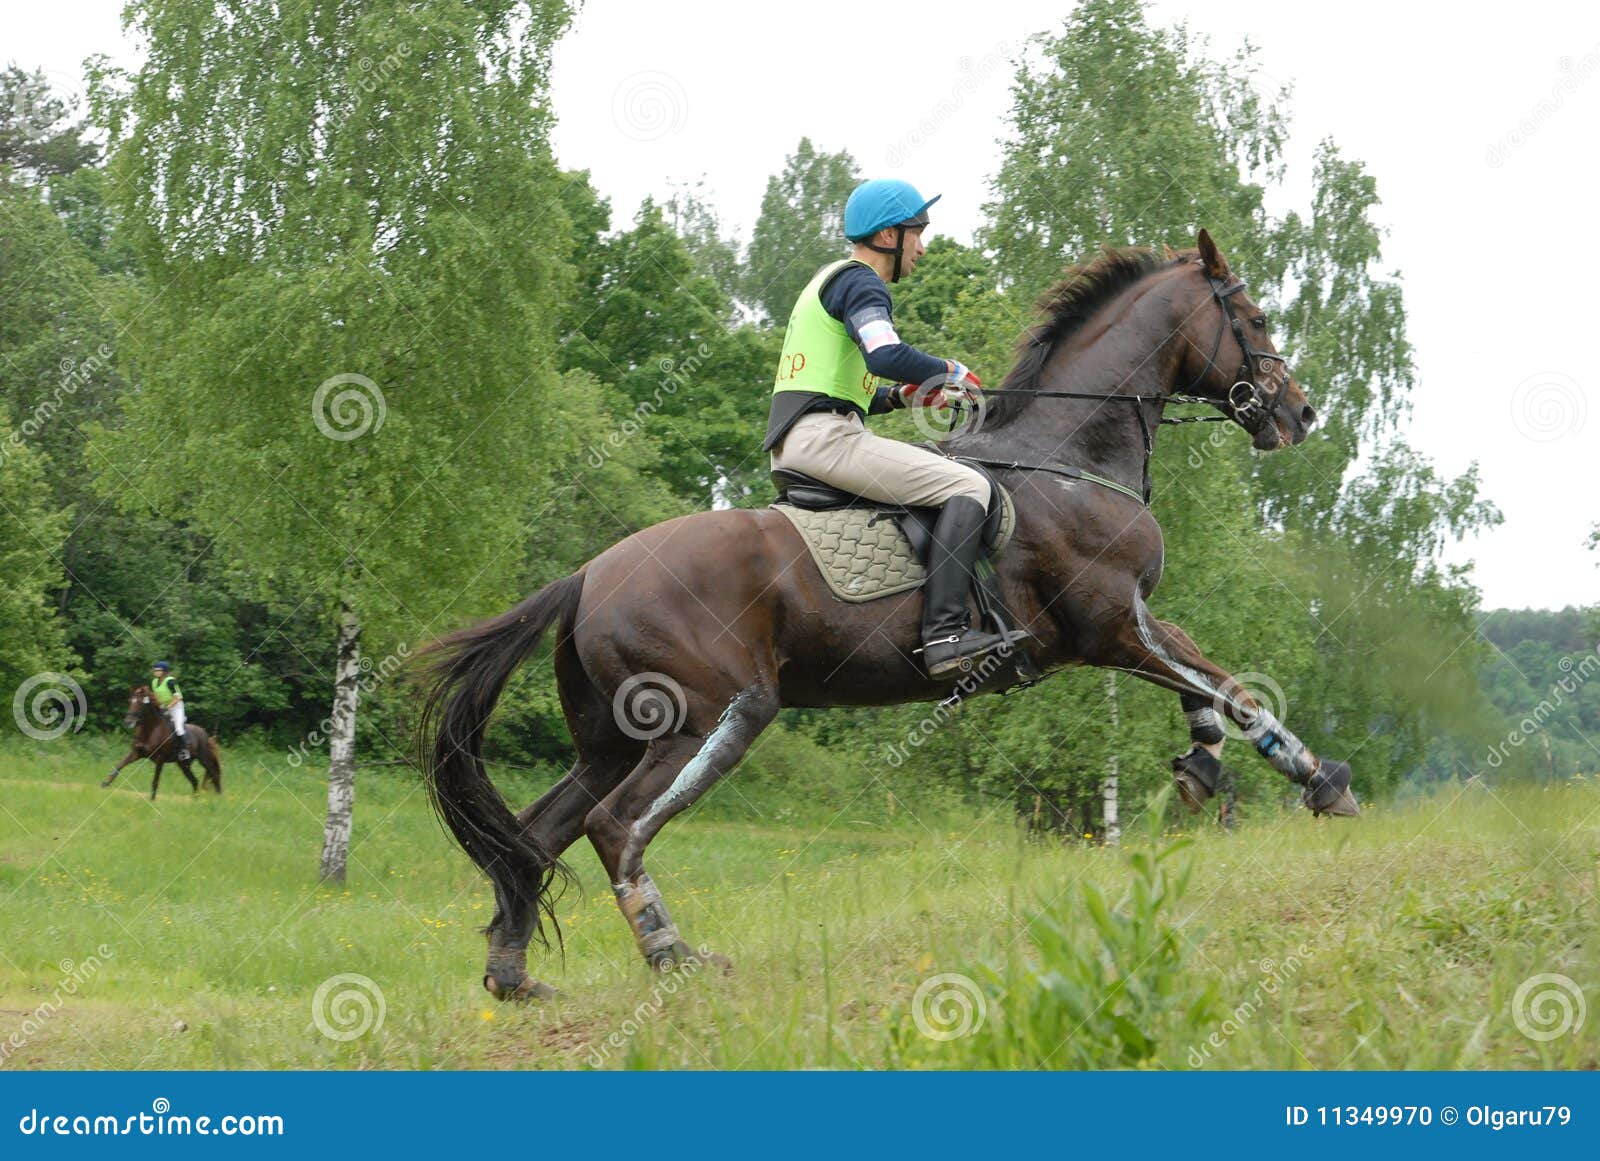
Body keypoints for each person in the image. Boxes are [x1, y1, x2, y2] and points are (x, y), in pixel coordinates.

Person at [766, 178, 1010, 678]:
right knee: (968, 483)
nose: (923, 246)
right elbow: (886, 353)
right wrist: (951, 370)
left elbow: (841, 386)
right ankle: (946, 634)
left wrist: (901, 395)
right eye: (917, 232)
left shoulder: (829, 280)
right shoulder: (862, 281)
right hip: (825, 441)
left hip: (808, 435)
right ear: (887, 237)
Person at [150, 660, 190, 761]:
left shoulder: (171, 681)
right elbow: (155, 696)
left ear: (164, 671)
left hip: (176, 707)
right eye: (155, 669)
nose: (155, 671)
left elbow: (178, 698)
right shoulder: (154, 682)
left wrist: (167, 708)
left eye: (158, 670)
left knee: (178, 728)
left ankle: (185, 751)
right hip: (163, 706)